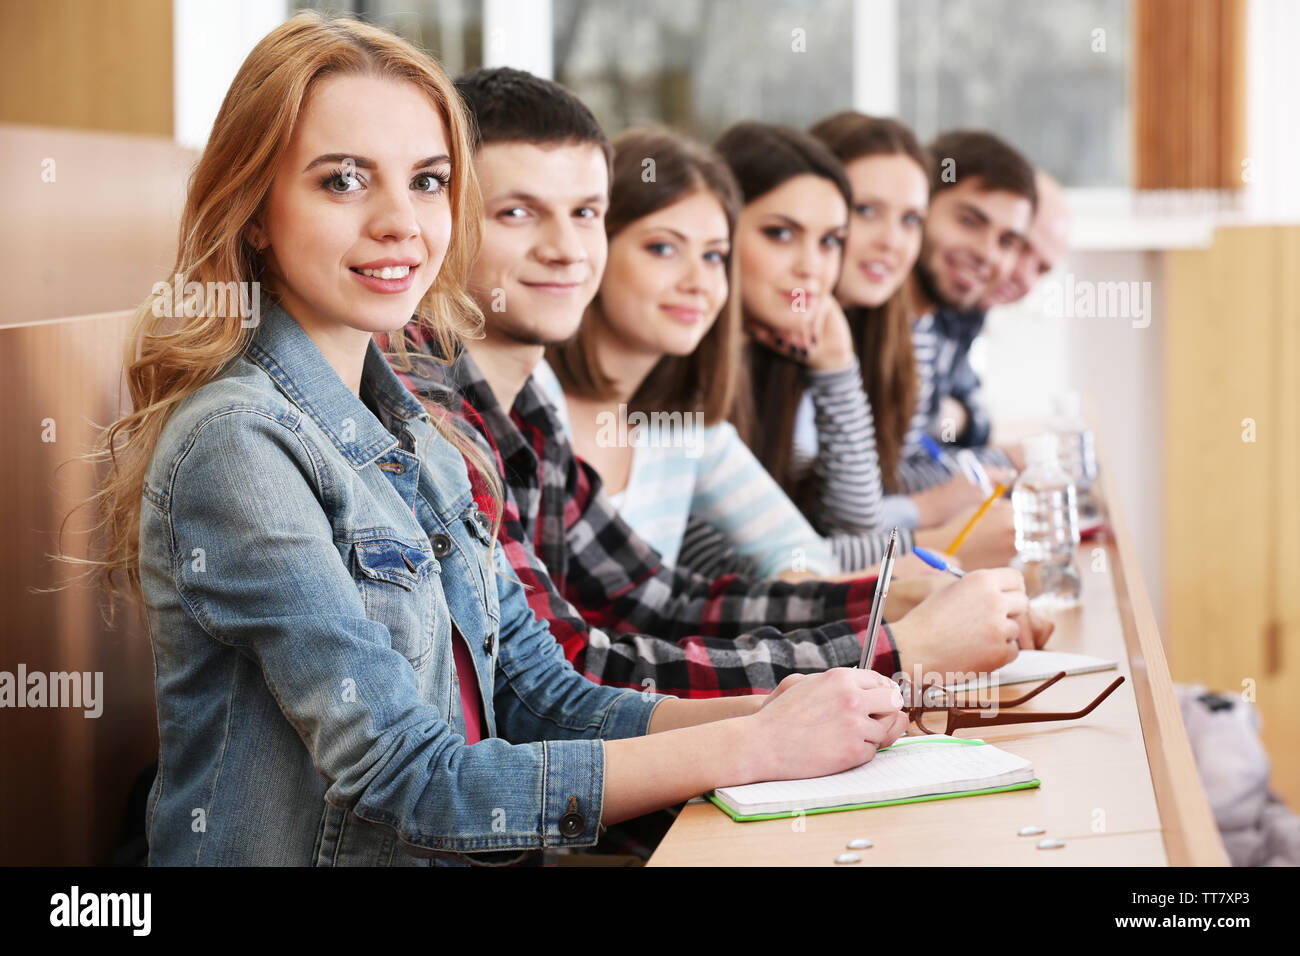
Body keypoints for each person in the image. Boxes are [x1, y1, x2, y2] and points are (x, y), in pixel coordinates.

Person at [82, 13, 915, 865]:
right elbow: (412, 783)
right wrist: (754, 749)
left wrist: (775, 710)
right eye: (343, 181)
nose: (402, 222)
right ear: (254, 210)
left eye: (429, 181)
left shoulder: (423, 428)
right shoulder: (239, 446)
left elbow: (545, 698)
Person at [539, 126, 839, 579]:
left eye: (714, 256)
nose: (698, 282)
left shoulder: (683, 429)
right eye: (663, 248)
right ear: (593, 247)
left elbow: (802, 554)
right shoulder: (531, 401)